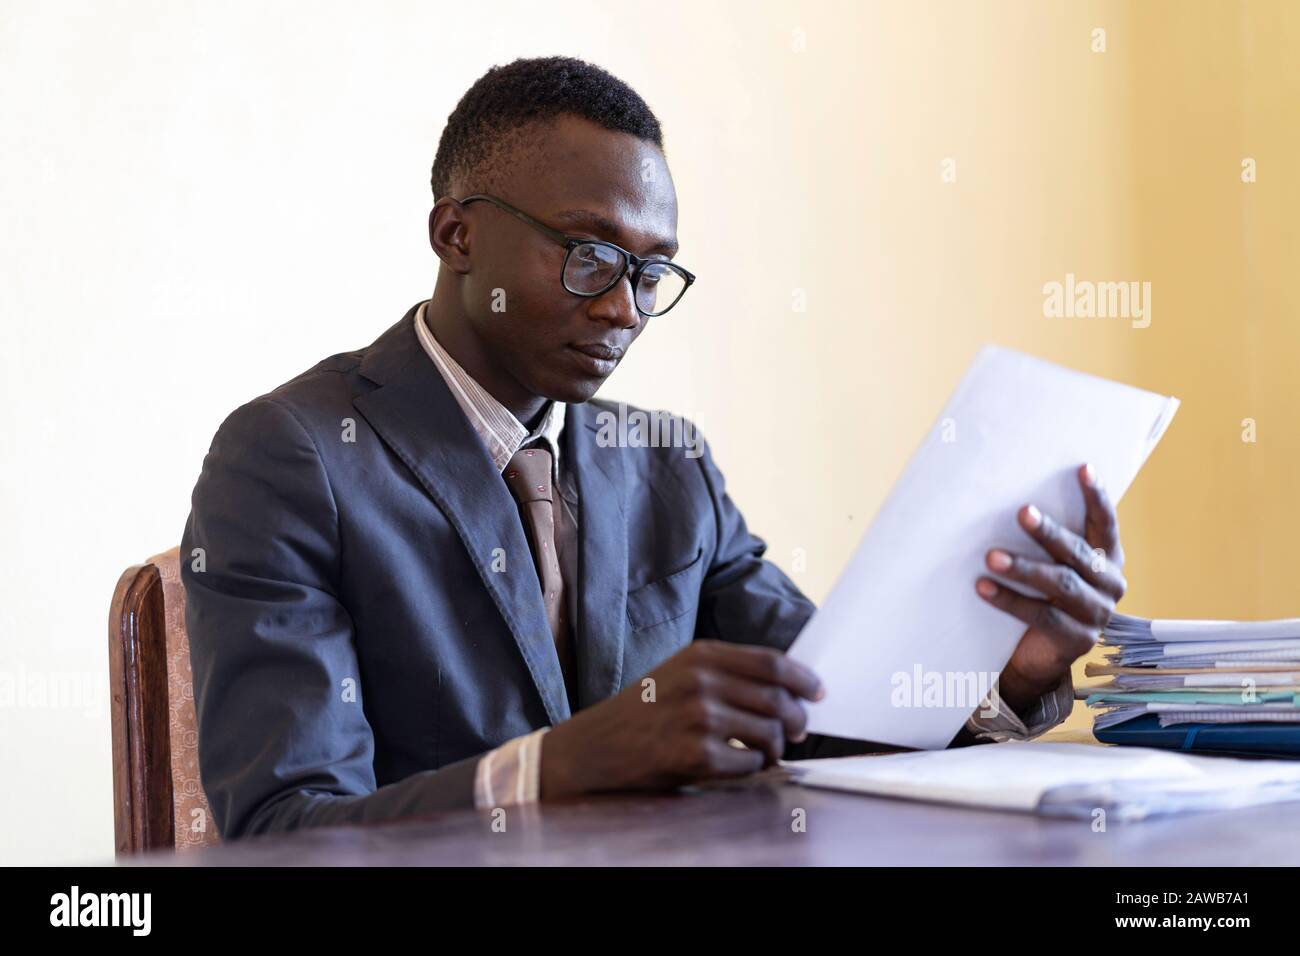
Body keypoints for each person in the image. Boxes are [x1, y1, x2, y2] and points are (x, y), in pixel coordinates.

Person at [181, 56, 1126, 839]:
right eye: (588, 254)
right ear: (457, 234)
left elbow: (826, 718)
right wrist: (552, 770)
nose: (623, 308)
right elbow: (284, 834)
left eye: (651, 271)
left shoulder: (667, 464)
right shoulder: (292, 457)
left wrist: (1004, 675)